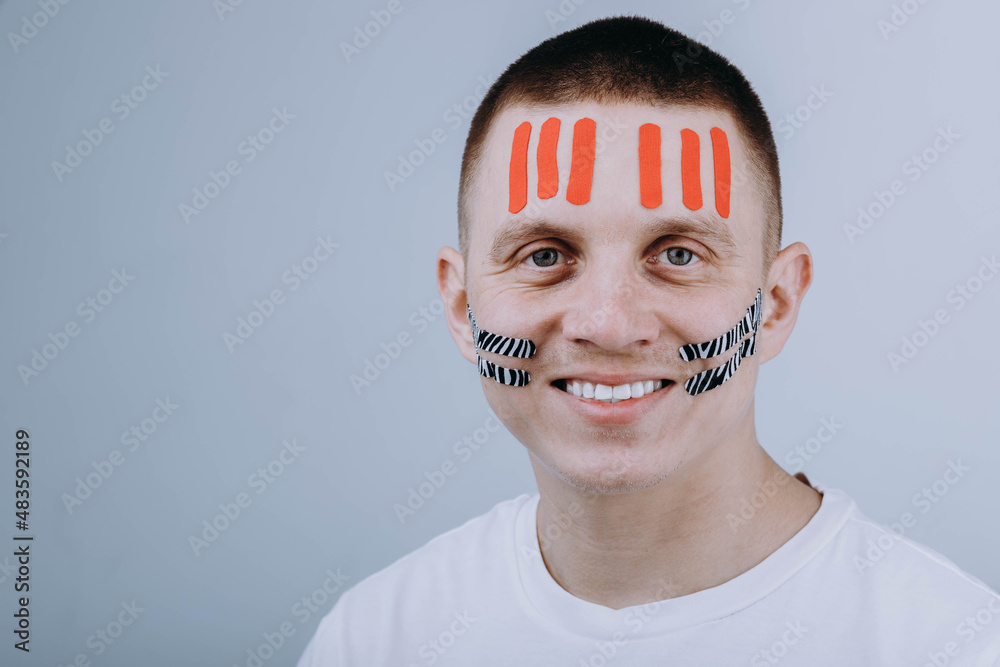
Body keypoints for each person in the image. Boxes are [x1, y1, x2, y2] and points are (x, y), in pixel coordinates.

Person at [298, 15, 1000, 665]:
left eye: (678, 254)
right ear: (460, 306)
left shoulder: (949, 643)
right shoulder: (377, 638)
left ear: (777, 303)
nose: (608, 322)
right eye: (545, 255)